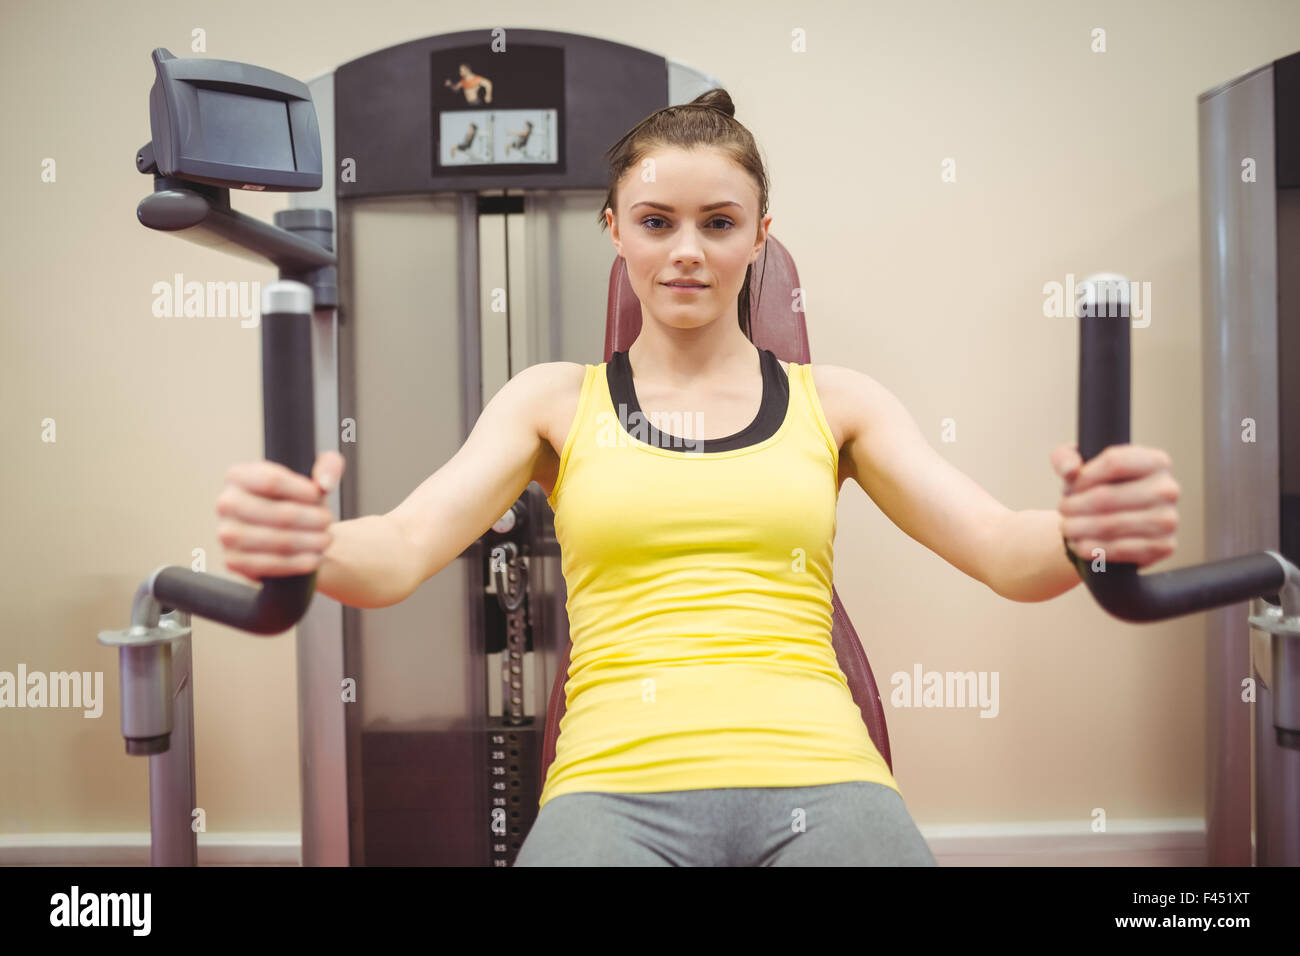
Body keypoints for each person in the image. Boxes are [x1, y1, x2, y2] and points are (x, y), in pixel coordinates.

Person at [215, 89, 1181, 866]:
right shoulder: (553, 402)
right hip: (612, 787)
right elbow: (396, 553)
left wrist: (1087, 530)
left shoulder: (838, 403)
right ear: (615, 231)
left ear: (761, 236)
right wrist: (315, 543)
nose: (687, 250)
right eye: (656, 220)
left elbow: (1007, 552)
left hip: (823, 778)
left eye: (719, 222)